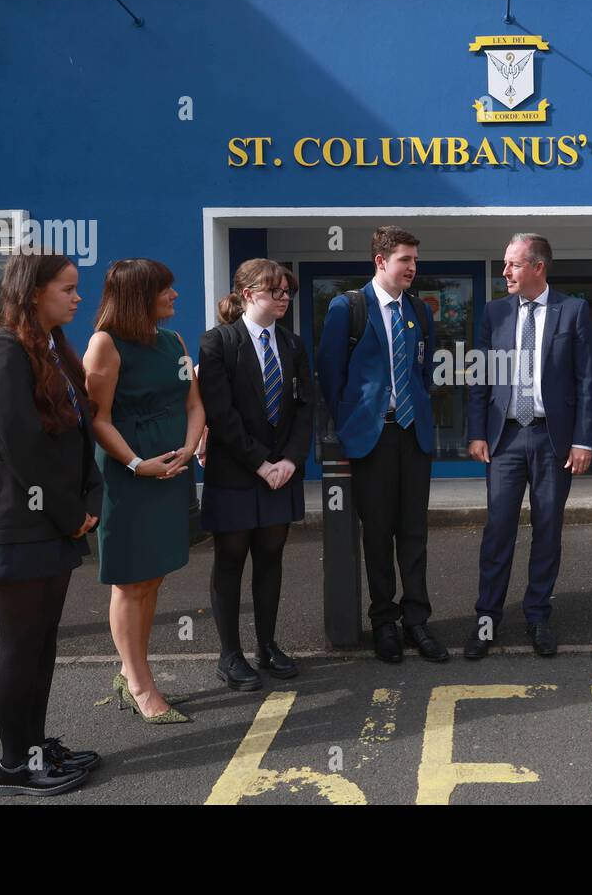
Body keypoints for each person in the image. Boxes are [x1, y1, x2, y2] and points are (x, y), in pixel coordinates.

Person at [0, 249, 103, 796]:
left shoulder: (52, 347)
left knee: (42, 642)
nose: (79, 297)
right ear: (33, 293)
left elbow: (78, 429)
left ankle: (34, 745)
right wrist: (69, 511)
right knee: (21, 643)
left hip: (51, 519)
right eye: (68, 289)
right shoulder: (1, 351)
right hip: (14, 523)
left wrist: (89, 495)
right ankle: (14, 764)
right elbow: (20, 447)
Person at [464, 233, 592, 658]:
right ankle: (487, 618)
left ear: (538, 267)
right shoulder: (495, 312)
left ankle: (538, 615)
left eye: (513, 265)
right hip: (504, 438)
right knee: (498, 529)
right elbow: (480, 376)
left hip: (552, 440)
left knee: (547, 530)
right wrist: (476, 431)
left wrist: (582, 440)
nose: (504, 272)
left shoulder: (573, 310)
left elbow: (587, 381)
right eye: (505, 264)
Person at [316, 226, 445, 664]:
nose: (413, 268)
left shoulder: (419, 312)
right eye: (405, 260)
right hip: (372, 438)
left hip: (413, 434)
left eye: (415, 260)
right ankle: (384, 622)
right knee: (377, 534)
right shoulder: (347, 308)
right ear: (381, 261)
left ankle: (417, 621)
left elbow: (424, 372)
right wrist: (353, 426)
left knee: (414, 532)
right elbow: (331, 379)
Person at [84, 259, 203, 724]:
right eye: (166, 290)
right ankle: (138, 684)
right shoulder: (105, 345)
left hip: (170, 470)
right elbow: (97, 418)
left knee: (153, 576)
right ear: (139, 296)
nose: (175, 297)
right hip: (129, 477)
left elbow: (193, 401)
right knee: (130, 580)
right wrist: (137, 464)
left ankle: (132, 670)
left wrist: (189, 449)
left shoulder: (172, 341)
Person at [197, 259, 314, 690]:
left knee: (270, 560)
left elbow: (304, 409)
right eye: (275, 291)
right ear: (248, 294)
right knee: (230, 563)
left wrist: (290, 461)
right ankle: (230, 657)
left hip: (281, 474)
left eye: (288, 292)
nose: (284, 298)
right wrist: (260, 463)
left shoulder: (295, 346)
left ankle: (268, 646)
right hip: (237, 474)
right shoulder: (218, 343)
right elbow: (222, 414)